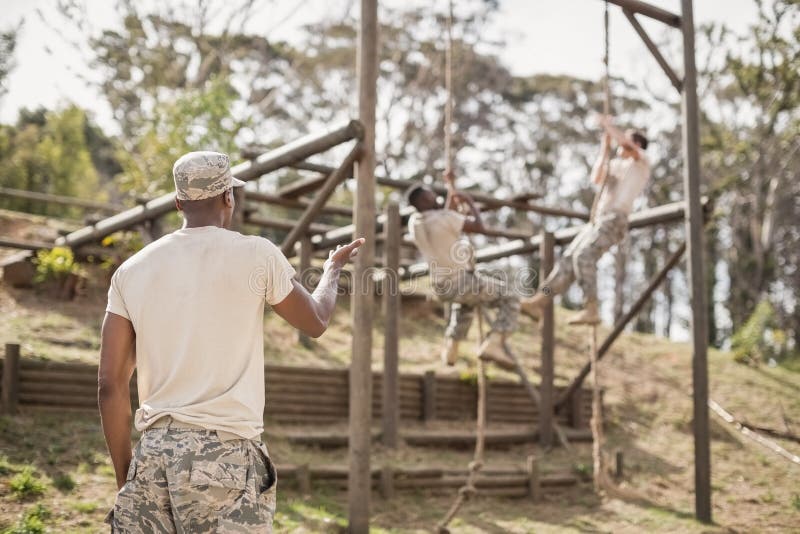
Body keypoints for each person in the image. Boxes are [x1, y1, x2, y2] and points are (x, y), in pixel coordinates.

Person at [98, 150, 363, 533]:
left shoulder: (131, 270)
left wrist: (129, 478)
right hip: (225, 457)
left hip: (152, 455)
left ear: (178, 203)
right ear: (228, 197)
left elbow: (110, 386)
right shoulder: (256, 254)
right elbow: (317, 320)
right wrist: (332, 271)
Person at [522, 116, 650, 325]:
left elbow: (627, 146)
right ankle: (540, 300)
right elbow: (596, 178)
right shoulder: (616, 165)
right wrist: (604, 147)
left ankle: (591, 307)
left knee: (583, 256)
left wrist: (608, 126)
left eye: (625, 140)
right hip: (598, 221)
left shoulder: (641, 163)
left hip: (614, 219)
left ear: (636, 144)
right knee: (566, 260)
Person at [405, 171, 520, 369]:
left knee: (465, 305)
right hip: (460, 281)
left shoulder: (415, 223)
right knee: (511, 296)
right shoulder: (444, 218)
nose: (435, 195)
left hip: (442, 287)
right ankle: (494, 342)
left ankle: (451, 349)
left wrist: (451, 185)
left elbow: (446, 215)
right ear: (424, 200)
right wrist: (469, 201)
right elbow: (479, 227)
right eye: (430, 194)